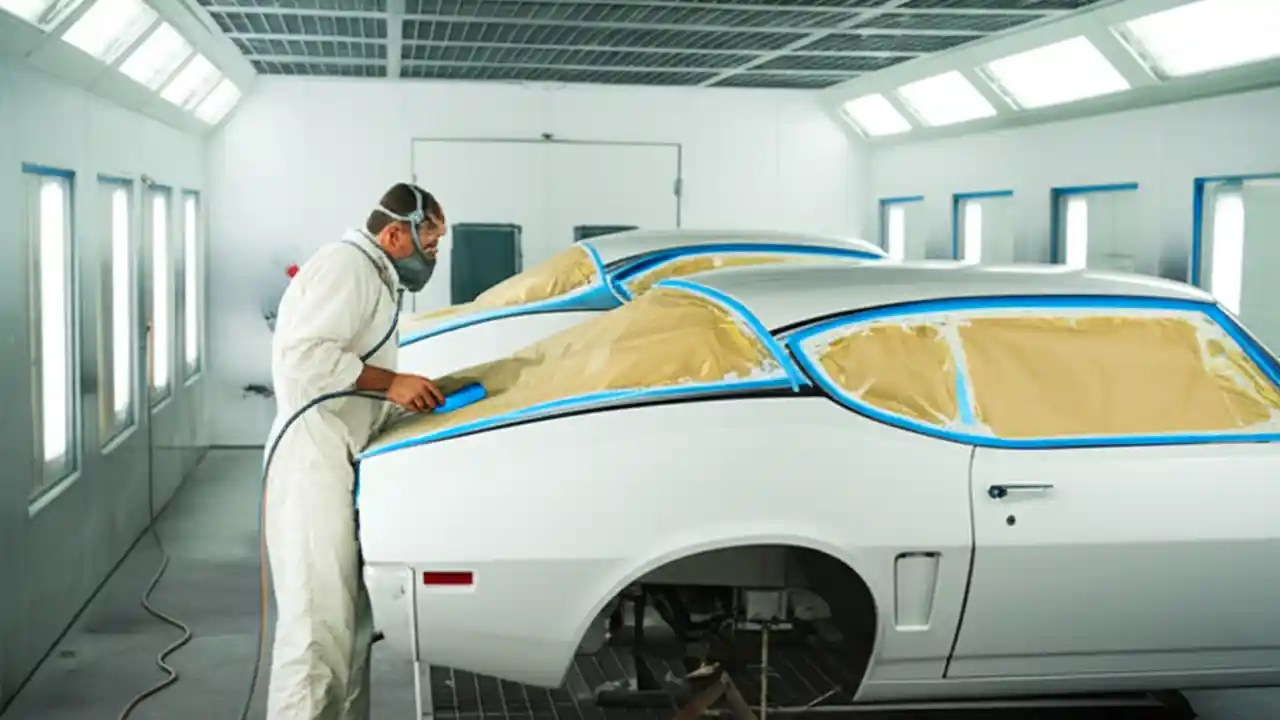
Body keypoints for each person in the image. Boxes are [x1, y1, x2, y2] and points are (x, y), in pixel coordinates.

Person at [265, 183, 447, 718]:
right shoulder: (346, 267)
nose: (432, 256)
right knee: (316, 630)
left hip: (337, 455)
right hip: (310, 460)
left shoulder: (373, 273)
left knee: (349, 627)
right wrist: (391, 385)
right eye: (429, 245)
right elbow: (302, 358)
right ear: (393, 235)